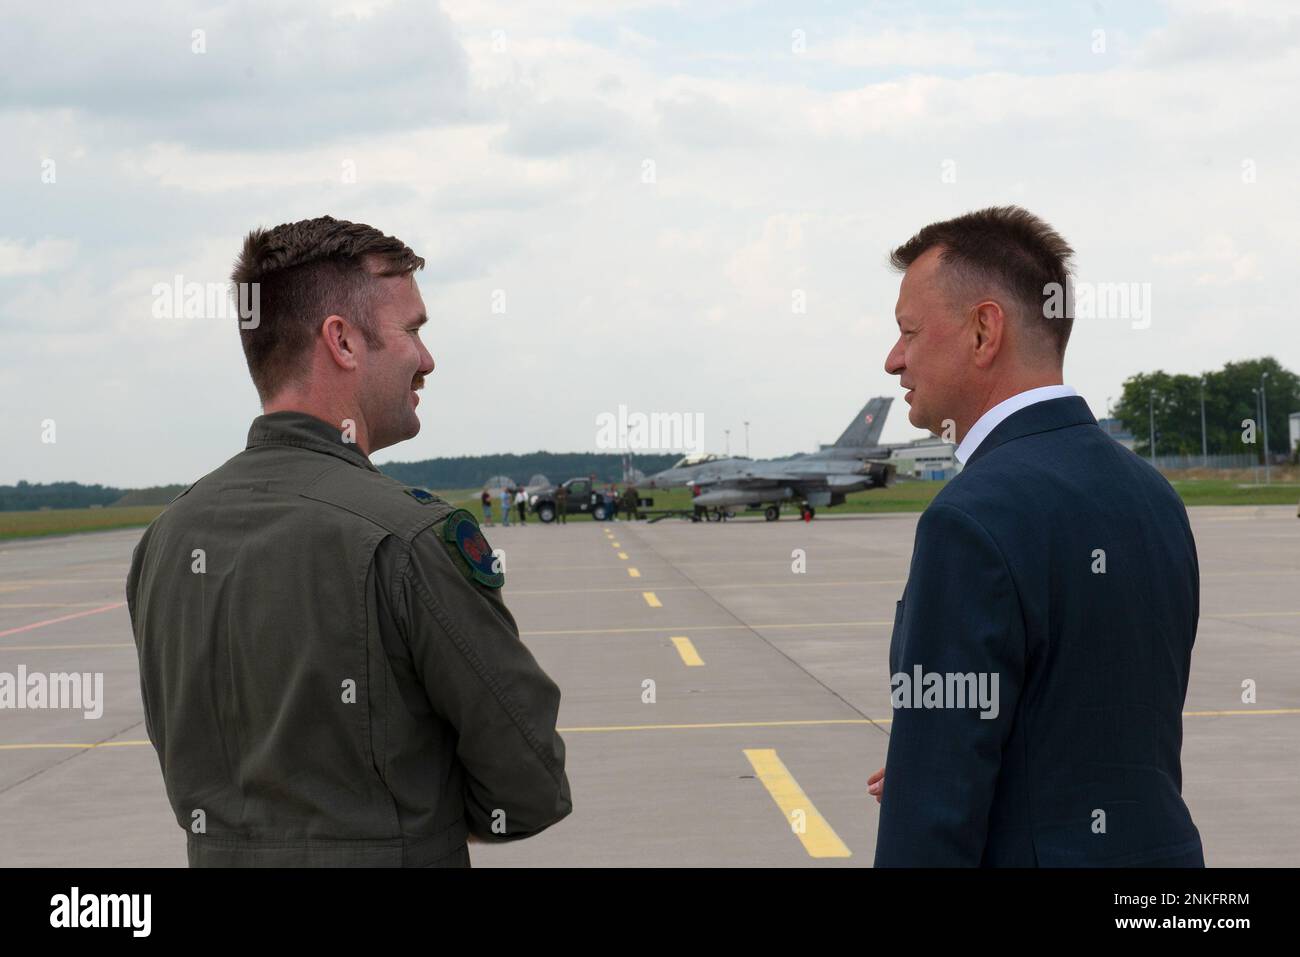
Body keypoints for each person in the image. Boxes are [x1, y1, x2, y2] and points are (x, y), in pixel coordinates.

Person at [125, 215, 571, 867]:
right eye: (413, 330)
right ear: (343, 341)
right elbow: (527, 780)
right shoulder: (410, 537)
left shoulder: (166, 539)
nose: (427, 359)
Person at [871, 206, 1203, 867]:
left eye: (909, 331)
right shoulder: (1153, 495)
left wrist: (927, 778)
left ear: (983, 331)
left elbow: (933, 817)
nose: (893, 359)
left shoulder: (968, 519)